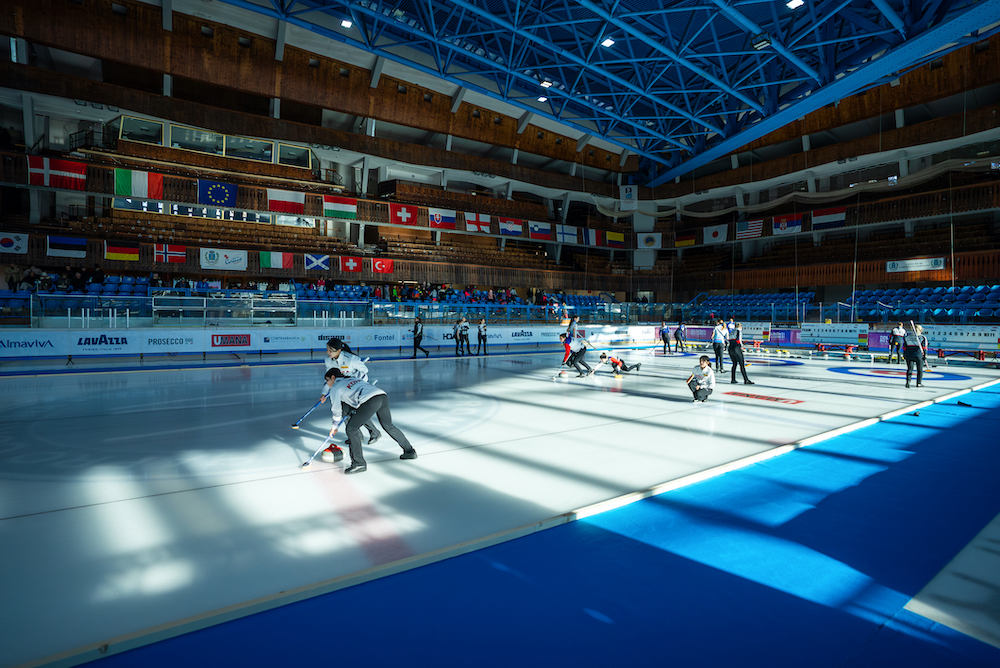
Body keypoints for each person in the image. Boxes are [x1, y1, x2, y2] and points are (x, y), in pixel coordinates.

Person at [322, 368, 417, 474]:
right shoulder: (353, 379)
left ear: (333, 378)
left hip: (370, 400)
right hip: (382, 396)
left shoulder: (335, 387)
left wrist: (334, 427)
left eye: (327, 380)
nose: (327, 384)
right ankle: (410, 451)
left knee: (351, 429)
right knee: (389, 426)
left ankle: (358, 463)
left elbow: (336, 409)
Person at [321, 337, 381, 452]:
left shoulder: (351, 359)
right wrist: (324, 393)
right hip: (341, 389)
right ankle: (357, 435)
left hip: (355, 389)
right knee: (345, 412)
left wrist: (354, 381)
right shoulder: (328, 360)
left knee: (357, 412)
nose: (328, 353)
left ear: (339, 350)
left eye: (331, 351)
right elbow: (329, 377)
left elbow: (364, 371)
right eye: (327, 350)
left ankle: (374, 432)